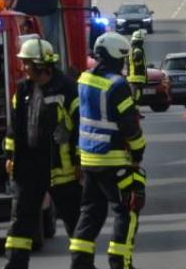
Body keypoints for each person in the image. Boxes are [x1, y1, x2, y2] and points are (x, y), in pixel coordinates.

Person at [69, 33, 147, 269]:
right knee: (127, 209)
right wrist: (138, 151)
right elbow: (129, 125)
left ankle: (80, 262)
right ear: (114, 56)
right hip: (113, 159)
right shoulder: (117, 84)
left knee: (90, 212)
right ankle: (120, 262)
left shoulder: (83, 79)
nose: (123, 63)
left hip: (89, 159)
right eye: (122, 58)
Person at [4, 39, 82, 269]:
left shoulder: (67, 88)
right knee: (21, 222)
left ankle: (82, 265)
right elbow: (14, 127)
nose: (23, 67)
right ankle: (15, 265)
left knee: (74, 221)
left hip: (63, 168)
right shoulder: (23, 89)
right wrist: (10, 155)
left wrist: (80, 161)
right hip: (29, 168)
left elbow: (80, 126)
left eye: (27, 63)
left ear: (40, 64)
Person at [127, 30, 148, 99]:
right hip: (137, 78)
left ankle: (134, 108)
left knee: (133, 96)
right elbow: (137, 61)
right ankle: (135, 109)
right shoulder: (138, 50)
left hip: (131, 77)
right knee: (137, 98)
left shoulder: (131, 49)